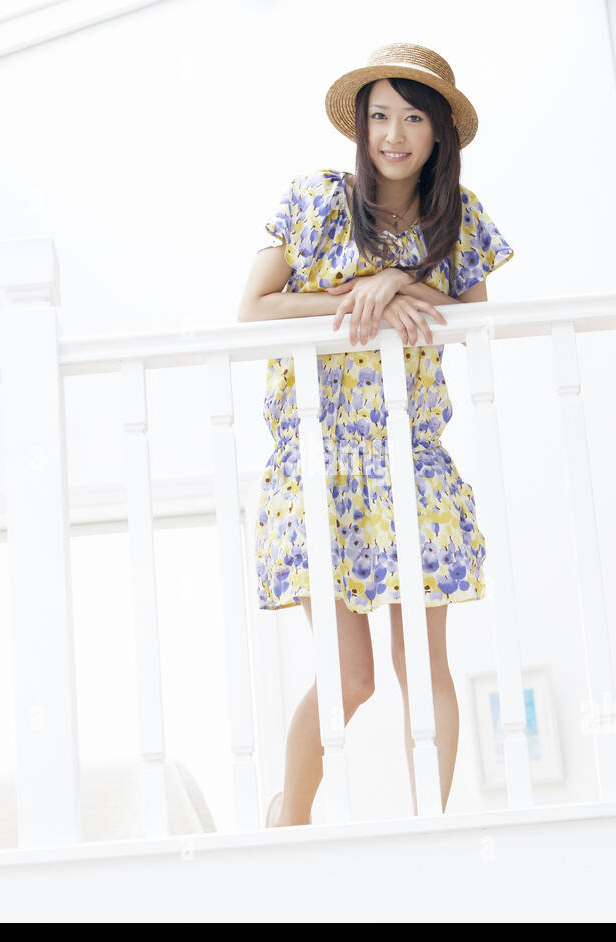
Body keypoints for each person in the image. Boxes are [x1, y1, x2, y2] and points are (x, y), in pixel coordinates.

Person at [236, 43, 514, 828]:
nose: (394, 135)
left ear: (438, 133)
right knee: (350, 676)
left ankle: (430, 828)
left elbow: (475, 319)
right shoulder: (316, 199)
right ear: (360, 127)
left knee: (423, 665)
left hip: (410, 463)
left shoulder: (459, 220)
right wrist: (358, 292)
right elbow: (253, 310)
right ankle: (287, 819)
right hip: (319, 463)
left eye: (413, 118)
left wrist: (402, 281)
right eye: (381, 116)